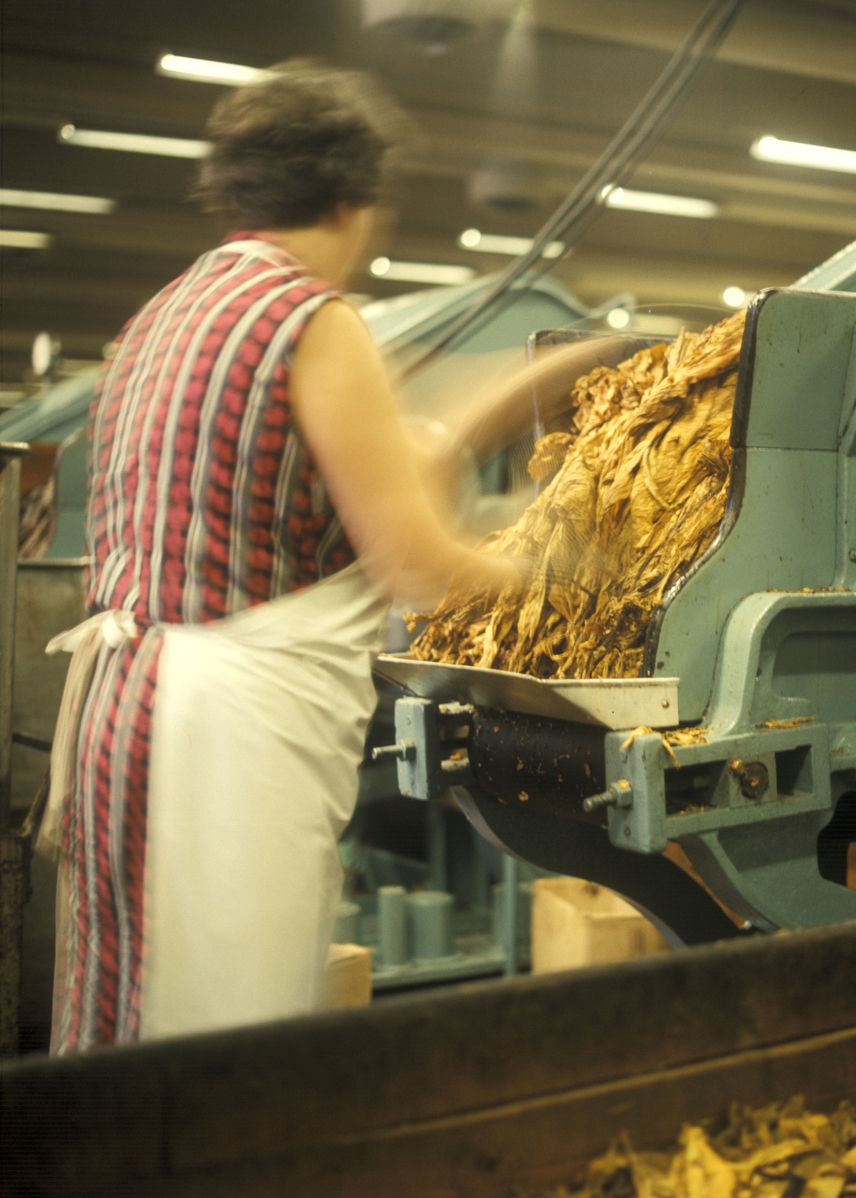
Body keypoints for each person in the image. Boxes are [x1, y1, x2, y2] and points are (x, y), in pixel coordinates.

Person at [42, 61, 600, 1053]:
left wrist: (503, 396)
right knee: (229, 1037)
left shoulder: (166, 313)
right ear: (354, 201)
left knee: (135, 1026)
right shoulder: (310, 318)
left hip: (125, 715)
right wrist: (572, 578)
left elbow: (370, 467)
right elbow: (417, 562)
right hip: (228, 740)